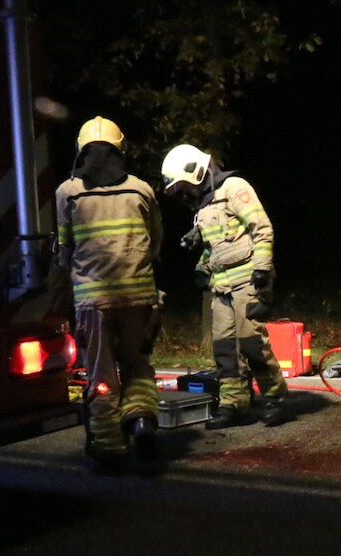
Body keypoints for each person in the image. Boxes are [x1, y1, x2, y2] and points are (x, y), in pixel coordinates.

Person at [55, 116, 163, 472]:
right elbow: (155, 241)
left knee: (101, 375)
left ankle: (109, 448)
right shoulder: (142, 190)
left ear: (81, 150)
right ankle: (142, 421)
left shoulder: (68, 192)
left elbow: (64, 250)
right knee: (137, 364)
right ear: (120, 148)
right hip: (139, 297)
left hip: (93, 301)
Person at [160, 143, 289, 428]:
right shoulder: (205, 205)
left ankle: (275, 398)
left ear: (195, 173)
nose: (183, 196)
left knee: (253, 344)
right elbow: (216, 247)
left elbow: (262, 228)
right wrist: (202, 268)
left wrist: (262, 270)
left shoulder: (234, 187)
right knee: (225, 349)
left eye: (183, 188)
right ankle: (234, 404)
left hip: (248, 281)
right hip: (221, 287)